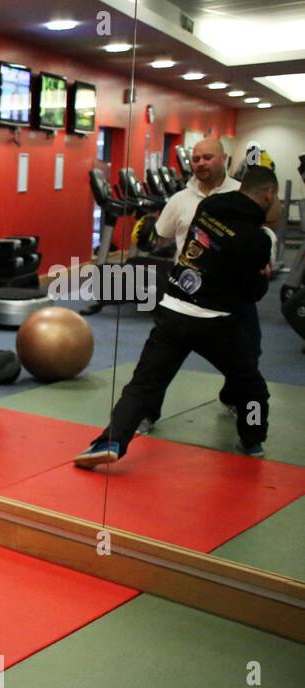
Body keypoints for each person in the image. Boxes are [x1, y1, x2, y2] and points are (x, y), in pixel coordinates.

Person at [74, 166, 278, 469]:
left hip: (173, 310)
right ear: (269, 195)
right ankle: (252, 439)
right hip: (216, 322)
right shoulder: (259, 240)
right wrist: (262, 277)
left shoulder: (207, 207)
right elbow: (252, 292)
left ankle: (110, 440)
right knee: (252, 387)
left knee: (144, 382)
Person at [142, 137, 276, 430]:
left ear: (224, 159)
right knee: (162, 363)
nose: (201, 163)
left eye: (208, 157)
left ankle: (234, 400)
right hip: (187, 295)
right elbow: (160, 237)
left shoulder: (243, 193)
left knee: (248, 357)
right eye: (196, 158)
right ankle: (147, 411)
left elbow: (262, 234)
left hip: (234, 297)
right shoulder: (179, 200)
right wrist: (146, 235)